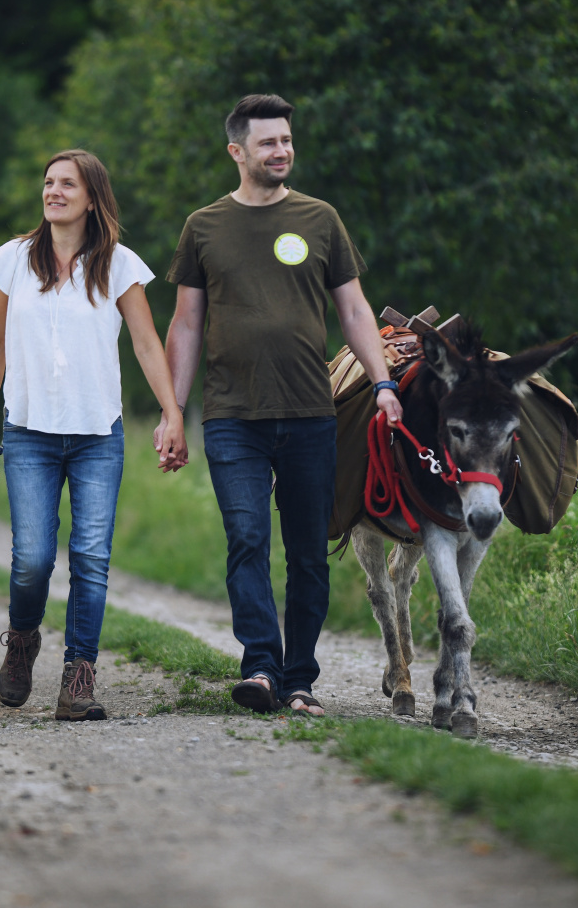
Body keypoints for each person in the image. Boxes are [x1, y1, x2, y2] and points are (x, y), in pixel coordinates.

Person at [157, 94, 402, 717]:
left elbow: (353, 310)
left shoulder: (321, 219)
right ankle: (261, 666)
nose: (282, 151)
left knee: (306, 551)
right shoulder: (204, 226)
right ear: (237, 152)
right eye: (268, 143)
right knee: (245, 537)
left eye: (287, 140)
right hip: (232, 414)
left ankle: (300, 679)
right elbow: (185, 325)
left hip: (310, 413)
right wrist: (170, 411)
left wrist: (382, 384)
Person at [0, 149, 188, 721]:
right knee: (33, 560)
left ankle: (79, 676)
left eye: (67, 184)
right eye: (48, 182)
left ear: (92, 197)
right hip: (28, 434)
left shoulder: (119, 265)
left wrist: (171, 412)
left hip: (98, 434)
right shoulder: (13, 261)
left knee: (91, 558)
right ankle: (22, 640)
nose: (54, 191)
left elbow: (146, 343)